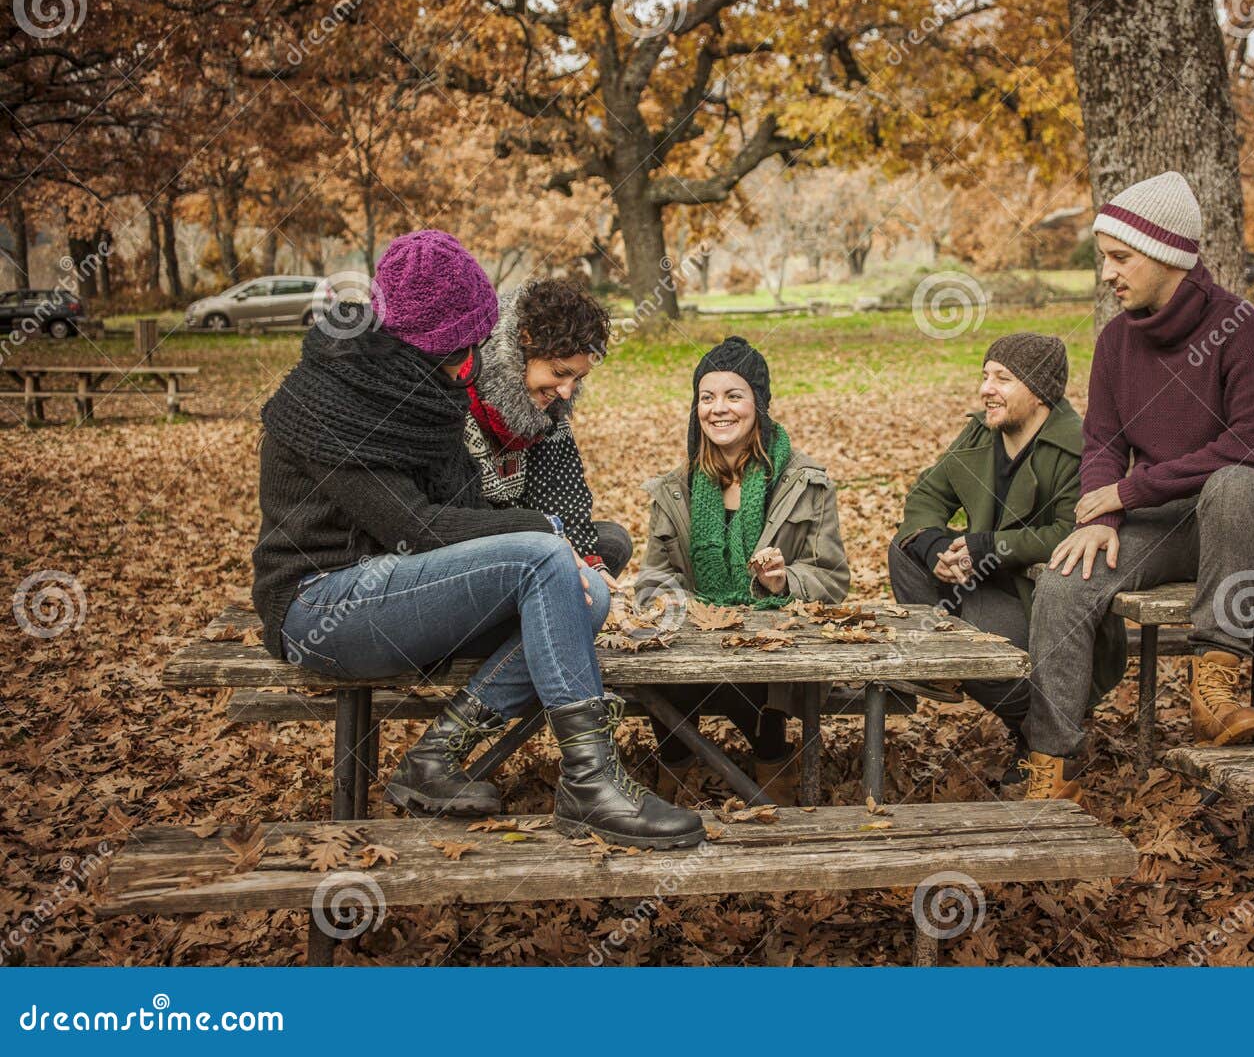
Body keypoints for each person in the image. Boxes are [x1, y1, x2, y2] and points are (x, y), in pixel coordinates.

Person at [251, 229, 703, 849]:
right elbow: (416, 527)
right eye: (466, 347)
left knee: (589, 594)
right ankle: (591, 783)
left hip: (400, 596)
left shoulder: (421, 389)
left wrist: (564, 554)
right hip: (320, 605)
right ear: (428, 341)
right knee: (546, 557)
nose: (474, 362)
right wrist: (544, 535)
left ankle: (433, 758)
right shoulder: (334, 400)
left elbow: (461, 509)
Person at [1023, 172, 1254, 804]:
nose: (1107, 273)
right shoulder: (1116, 342)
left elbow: (1253, 448)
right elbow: (1102, 444)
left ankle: (1214, 686)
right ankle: (1052, 767)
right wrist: (1101, 518)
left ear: (1167, 254)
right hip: (1170, 522)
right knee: (1064, 581)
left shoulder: (1242, 328)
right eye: (1105, 258)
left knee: (1233, 484)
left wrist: (1131, 493)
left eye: (1120, 258)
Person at [889, 334, 1124, 780]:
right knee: (906, 551)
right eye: (985, 376)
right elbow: (926, 496)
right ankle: (944, 665)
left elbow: (1071, 530)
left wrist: (987, 547)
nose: (986, 389)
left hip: (1042, 605)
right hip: (981, 585)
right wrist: (936, 548)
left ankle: (1036, 729)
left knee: (976, 635)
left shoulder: (1078, 446)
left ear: (1039, 391)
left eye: (1003, 378)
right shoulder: (982, 432)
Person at [636, 336, 850, 804]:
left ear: (759, 404)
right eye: (706, 397)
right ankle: (675, 777)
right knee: (661, 665)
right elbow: (652, 579)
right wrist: (679, 607)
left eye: (734, 396)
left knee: (751, 663)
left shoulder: (803, 483)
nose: (718, 409)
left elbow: (832, 580)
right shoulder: (676, 488)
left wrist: (784, 580)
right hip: (693, 644)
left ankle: (772, 772)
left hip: (773, 648)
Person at [461, 277, 632, 581]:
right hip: (472, 547)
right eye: (559, 372)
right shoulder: (460, 399)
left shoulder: (550, 413)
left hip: (533, 532)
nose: (566, 392)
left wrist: (589, 563)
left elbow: (562, 495)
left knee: (613, 542)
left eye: (577, 379)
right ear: (523, 344)